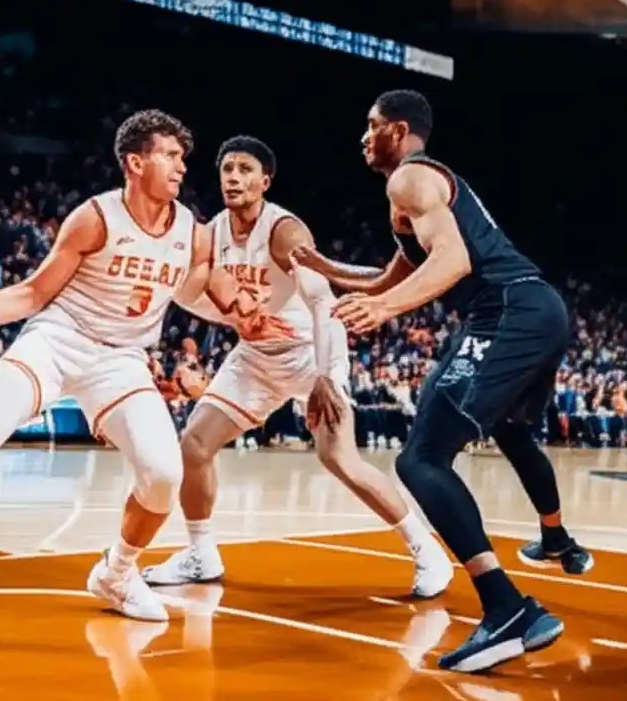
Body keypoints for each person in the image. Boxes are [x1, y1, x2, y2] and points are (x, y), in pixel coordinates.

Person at [0, 110, 291, 659]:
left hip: (121, 360)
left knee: (165, 473)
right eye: (170, 155)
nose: (181, 166)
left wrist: (241, 305)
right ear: (136, 162)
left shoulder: (191, 232)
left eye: (181, 157)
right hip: (56, 341)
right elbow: (31, 295)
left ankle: (117, 573)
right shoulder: (94, 219)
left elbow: (208, 274)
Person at [295, 90, 593, 673]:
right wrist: (328, 271)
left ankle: (507, 609)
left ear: (399, 130)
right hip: (537, 308)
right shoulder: (415, 194)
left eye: (371, 124)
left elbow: (452, 263)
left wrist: (384, 313)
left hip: (506, 309)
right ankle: (555, 538)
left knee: (421, 460)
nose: (363, 135)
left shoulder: (409, 178)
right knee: (510, 430)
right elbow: (389, 276)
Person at [141, 135, 453, 598]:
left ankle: (427, 552)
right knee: (194, 446)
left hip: (312, 351)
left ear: (265, 181)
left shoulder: (285, 231)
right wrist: (233, 316)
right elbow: (192, 296)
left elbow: (322, 301)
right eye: (226, 168)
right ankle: (201, 554)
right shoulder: (212, 235)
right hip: (256, 356)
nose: (232, 177)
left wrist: (327, 375)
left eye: (245, 169)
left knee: (338, 457)